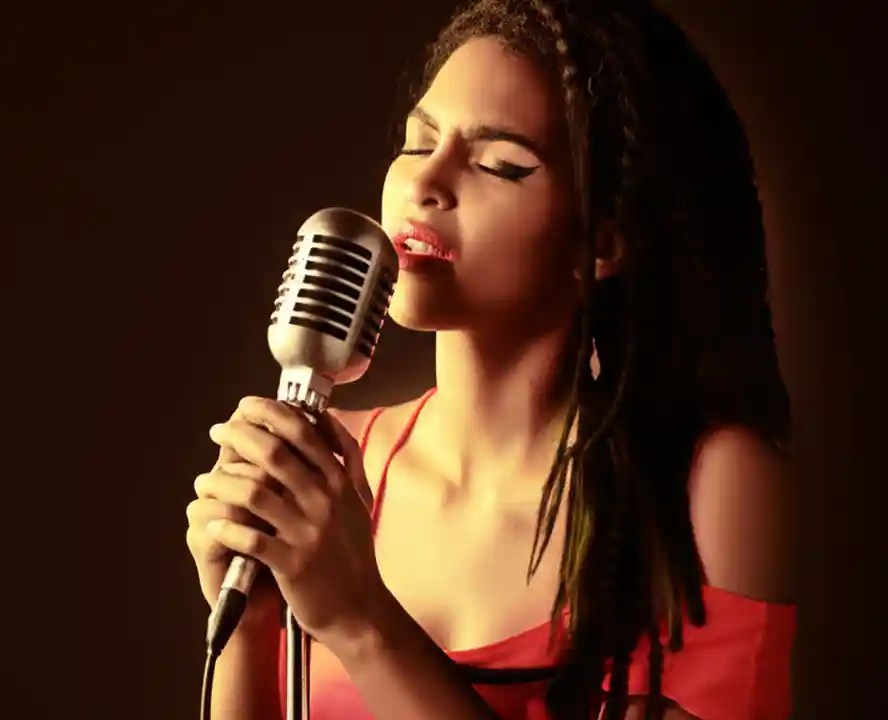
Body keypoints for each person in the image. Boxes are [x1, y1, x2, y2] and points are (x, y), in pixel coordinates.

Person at [184, 0, 797, 718]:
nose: (426, 184)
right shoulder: (327, 471)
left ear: (603, 241)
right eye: (419, 143)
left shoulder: (706, 488)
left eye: (500, 165)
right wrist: (251, 627)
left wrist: (358, 621)